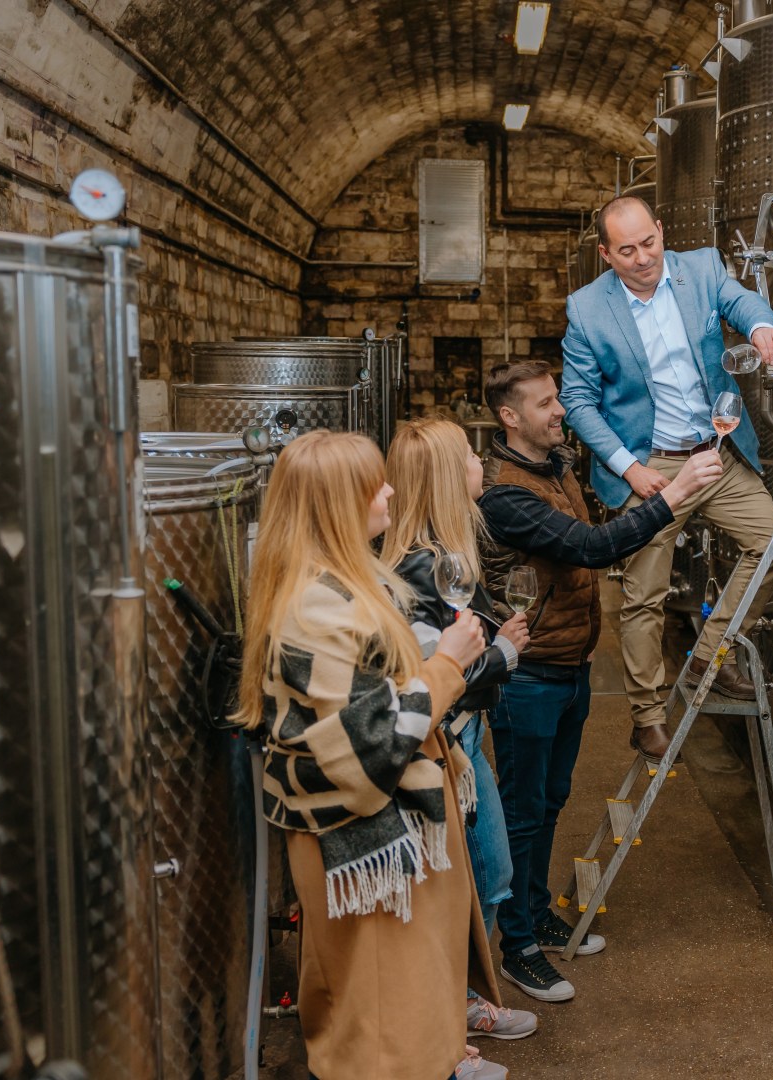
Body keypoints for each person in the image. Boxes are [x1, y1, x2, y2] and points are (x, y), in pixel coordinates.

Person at [233, 430, 505, 1080]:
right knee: (384, 1035)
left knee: (394, 1013)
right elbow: (373, 743)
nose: (389, 492)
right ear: (339, 502)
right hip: (368, 843)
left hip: (389, 844)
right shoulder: (313, 610)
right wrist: (448, 665)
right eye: (375, 483)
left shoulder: (345, 581)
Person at [477, 359, 722, 1003]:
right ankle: (516, 946)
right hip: (527, 677)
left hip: (570, 662)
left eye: (557, 398)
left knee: (552, 801)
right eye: (545, 403)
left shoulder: (555, 466)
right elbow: (589, 547)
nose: (560, 411)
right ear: (510, 418)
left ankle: (530, 915)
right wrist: (673, 496)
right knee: (523, 813)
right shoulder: (505, 493)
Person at [559, 194, 773, 761]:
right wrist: (630, 468)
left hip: (713, 449)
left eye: (649, 242)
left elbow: (739, 302)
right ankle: (645, 715)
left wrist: (762, 324)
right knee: (645, 598)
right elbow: (577, 400)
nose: (643, 258)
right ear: (605, 254)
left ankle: (707, 660)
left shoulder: (701, 268)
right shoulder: (588, 309)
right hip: (653, 463)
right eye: (627, 250)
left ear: (661, 230)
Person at [382, 416, 541, 1046]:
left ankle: (461, 1003)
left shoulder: (443, 558)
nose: (483, 462)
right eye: (471, 457)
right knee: (468, 882)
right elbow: (433, 679)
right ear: (450, 479)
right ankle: (449, 1019)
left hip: (463, 742)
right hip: (444, 746)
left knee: (485, 876)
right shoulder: (423, 570)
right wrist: (501, 655)